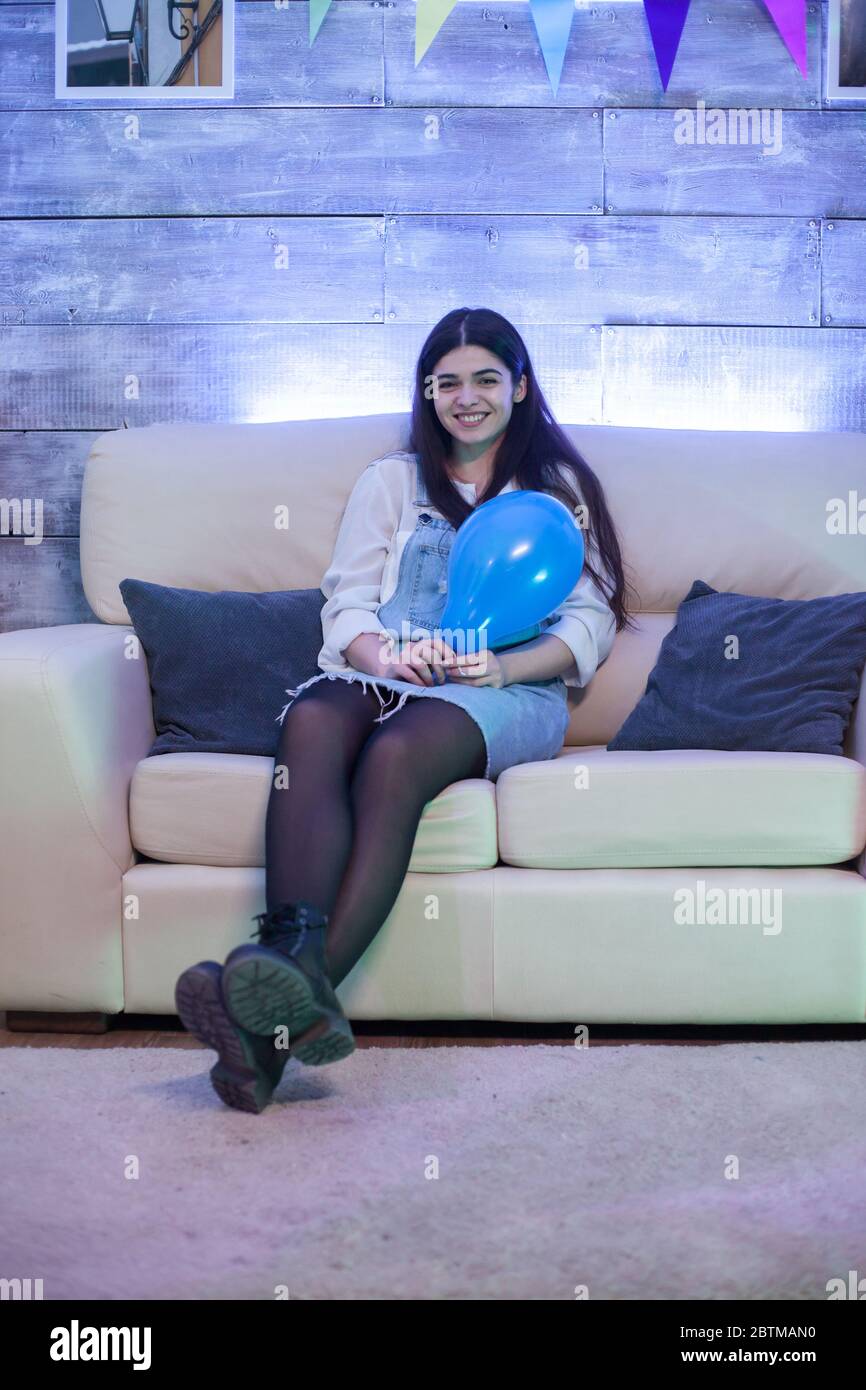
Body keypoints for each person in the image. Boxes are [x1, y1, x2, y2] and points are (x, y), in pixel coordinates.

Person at [175, 306, 636, 1113]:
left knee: (395, 756)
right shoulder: (390, 482)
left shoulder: (558, 494)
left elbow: (589, 623)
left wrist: (501, 666)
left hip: (505, 690)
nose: (467, 398)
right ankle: (289, 992)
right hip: (389, 671)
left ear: (520, 388)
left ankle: (266, 1022)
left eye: (486, 379)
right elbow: (347, 604)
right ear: (428, 392)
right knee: (313, 718)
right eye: (448, 382)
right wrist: (384, 657)